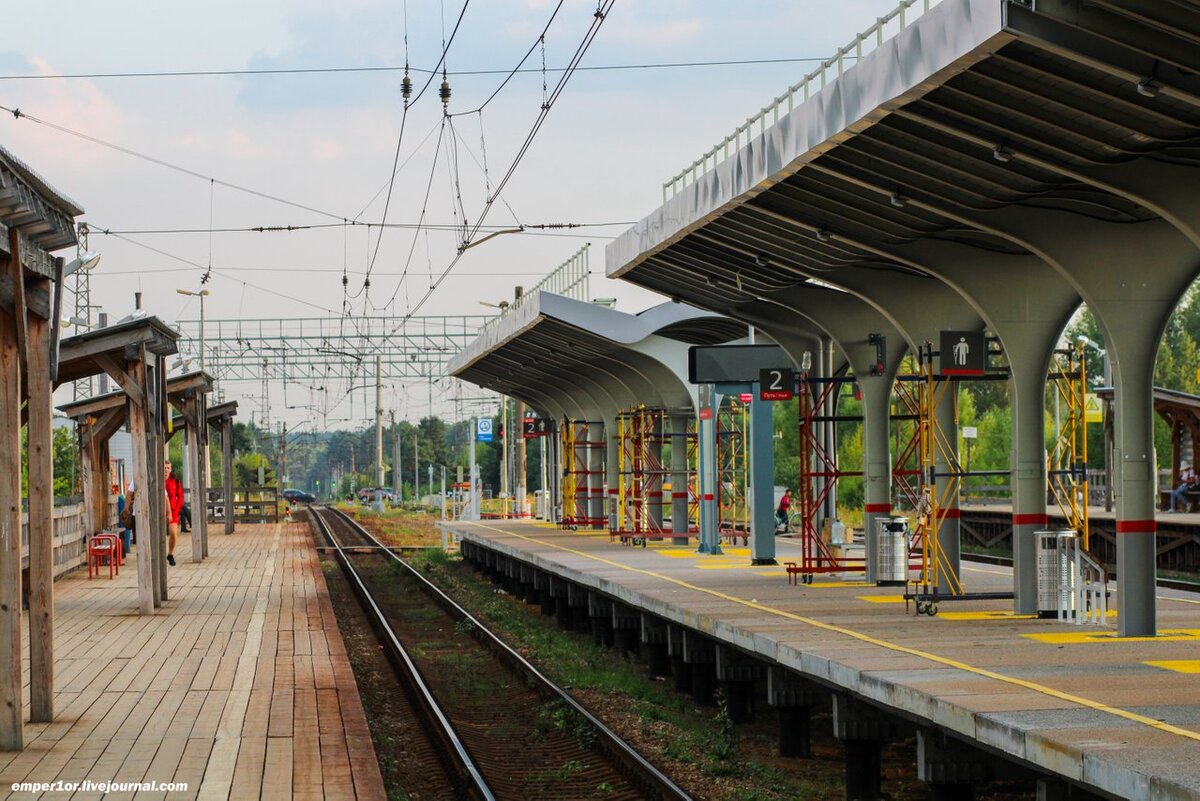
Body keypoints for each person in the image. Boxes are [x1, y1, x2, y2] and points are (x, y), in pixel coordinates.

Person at [165, 460, 184, 565]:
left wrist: (176, 509)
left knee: (173, 533)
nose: (166, 470)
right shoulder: (157, 480)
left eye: (168, 468)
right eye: (164, 468)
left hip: (173, 510)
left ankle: (170, 554)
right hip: (159, 511)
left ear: (171, 469)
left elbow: (180, 496)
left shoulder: (175, 481)